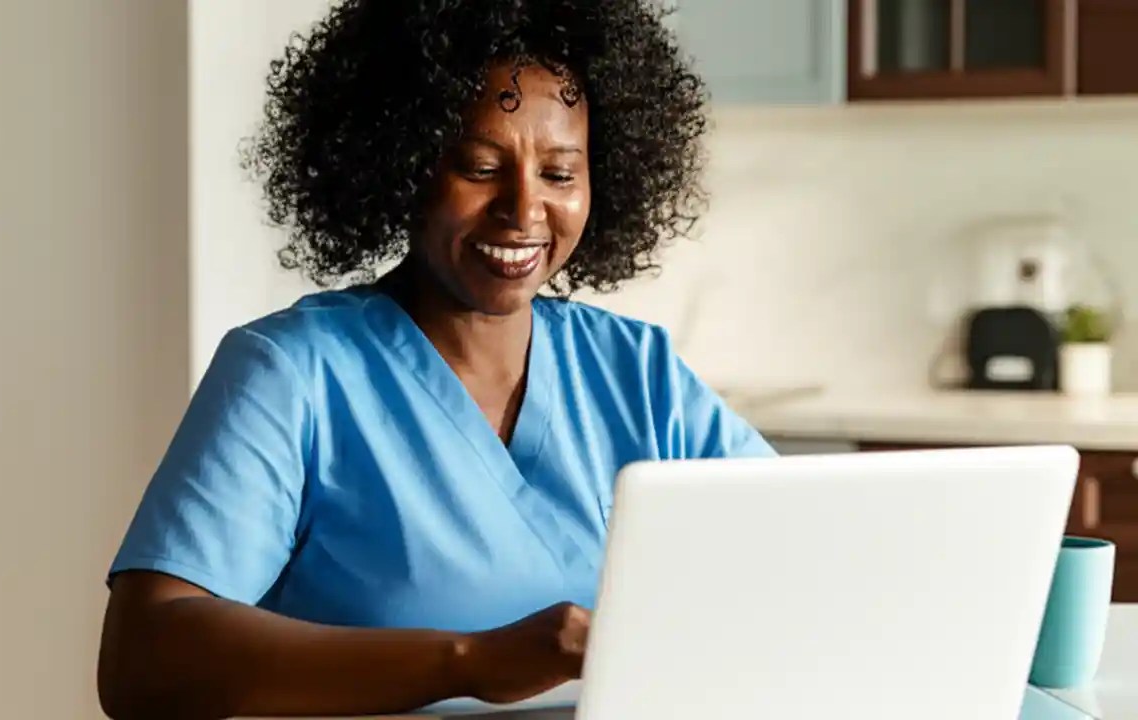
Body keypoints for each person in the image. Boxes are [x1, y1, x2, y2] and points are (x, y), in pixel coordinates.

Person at [96, 1, 775, 718]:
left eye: (559, 173)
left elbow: (806, 553)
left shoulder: (636, 370)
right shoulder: (292, 372)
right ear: (399, 165)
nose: (524, 208)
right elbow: (144, 656)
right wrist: (469, 661)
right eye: (481, 167)